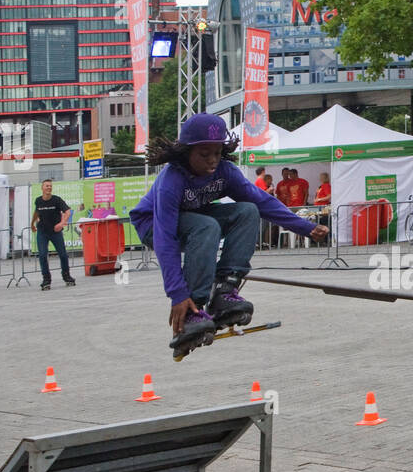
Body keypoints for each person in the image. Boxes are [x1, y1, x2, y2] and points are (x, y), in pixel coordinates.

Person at [131, 113, 331, 348]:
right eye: (204, 155)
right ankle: (193, 311)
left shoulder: (225, 172)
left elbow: (263, 202)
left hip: (194, 219)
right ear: (187, 153)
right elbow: (165, 238)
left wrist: (305, 227)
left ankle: (224, 291)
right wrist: (178, 294)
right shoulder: (171, 180)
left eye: (217, 153)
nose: (212, 161)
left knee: (247, 211)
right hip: (152, 224)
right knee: (206, 227)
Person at [31, 179, 75, 290]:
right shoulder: (38, 200)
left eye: (50, 186)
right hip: (42, 232)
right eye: (46, 186)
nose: (49, 188)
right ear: (42, 188)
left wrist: (61, 223)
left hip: (55, 232)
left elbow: (68, 212)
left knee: (63, 254)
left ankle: (66, 276)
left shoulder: (56, 200)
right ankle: (46, 279)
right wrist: (32, 223)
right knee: (42, 255)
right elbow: (37, 212)